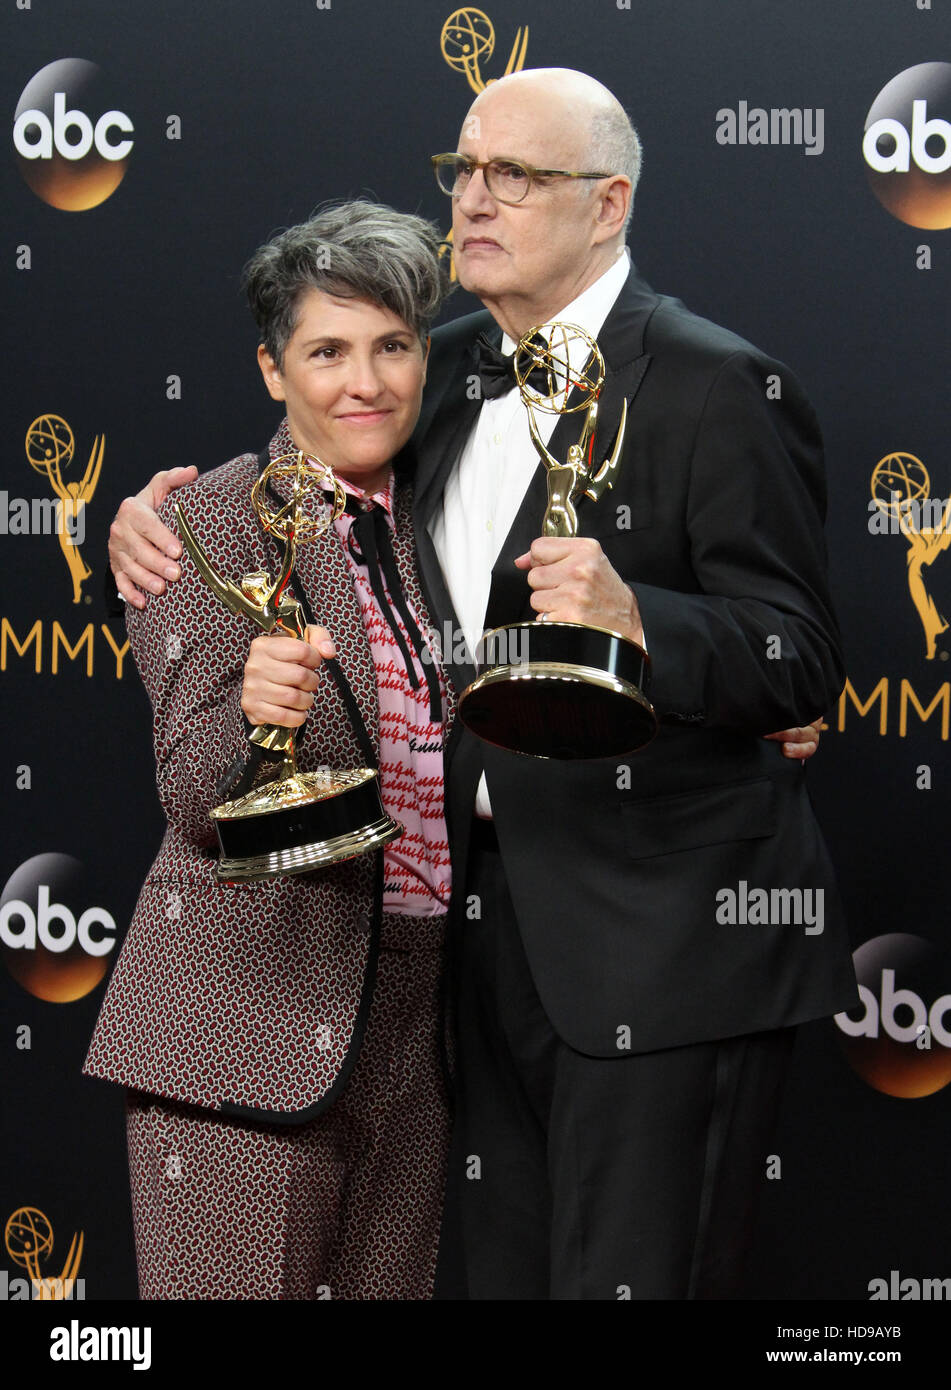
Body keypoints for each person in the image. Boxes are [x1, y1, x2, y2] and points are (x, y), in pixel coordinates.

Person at [107, 68, 851, 1301]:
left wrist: (644, 623)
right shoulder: (436, 370)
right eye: (464, 170)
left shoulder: (719, 382)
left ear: (609, 204)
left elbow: (802, 654)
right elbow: (302, 475)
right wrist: (152, 522)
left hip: (662, 945)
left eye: (518, 175)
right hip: (466, 950)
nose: (477, 199)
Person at [84, 202, 453, 1299]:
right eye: (326, 351)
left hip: (426, 1035)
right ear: (271, 369)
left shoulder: (450, 520)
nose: (366, 383)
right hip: (246, 1022)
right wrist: (257, 715)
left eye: (393, 346)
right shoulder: (205, 523)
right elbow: (195, 793)